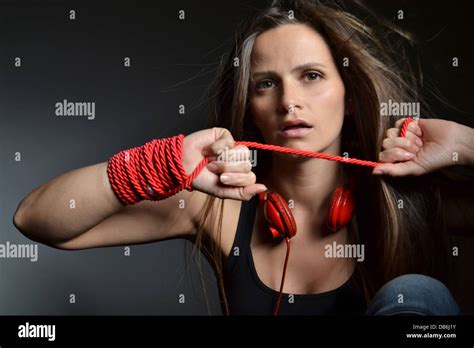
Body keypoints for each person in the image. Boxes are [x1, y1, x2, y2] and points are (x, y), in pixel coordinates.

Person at [13, 0, 471, 316]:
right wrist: (161, 163)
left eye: (311, 75)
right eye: (265, 84)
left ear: (349, 97)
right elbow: (36, 219)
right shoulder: (222, 205)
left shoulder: (403, 197)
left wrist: (467, 144)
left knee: (417, 294)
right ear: (249, 105)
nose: (289, 101)